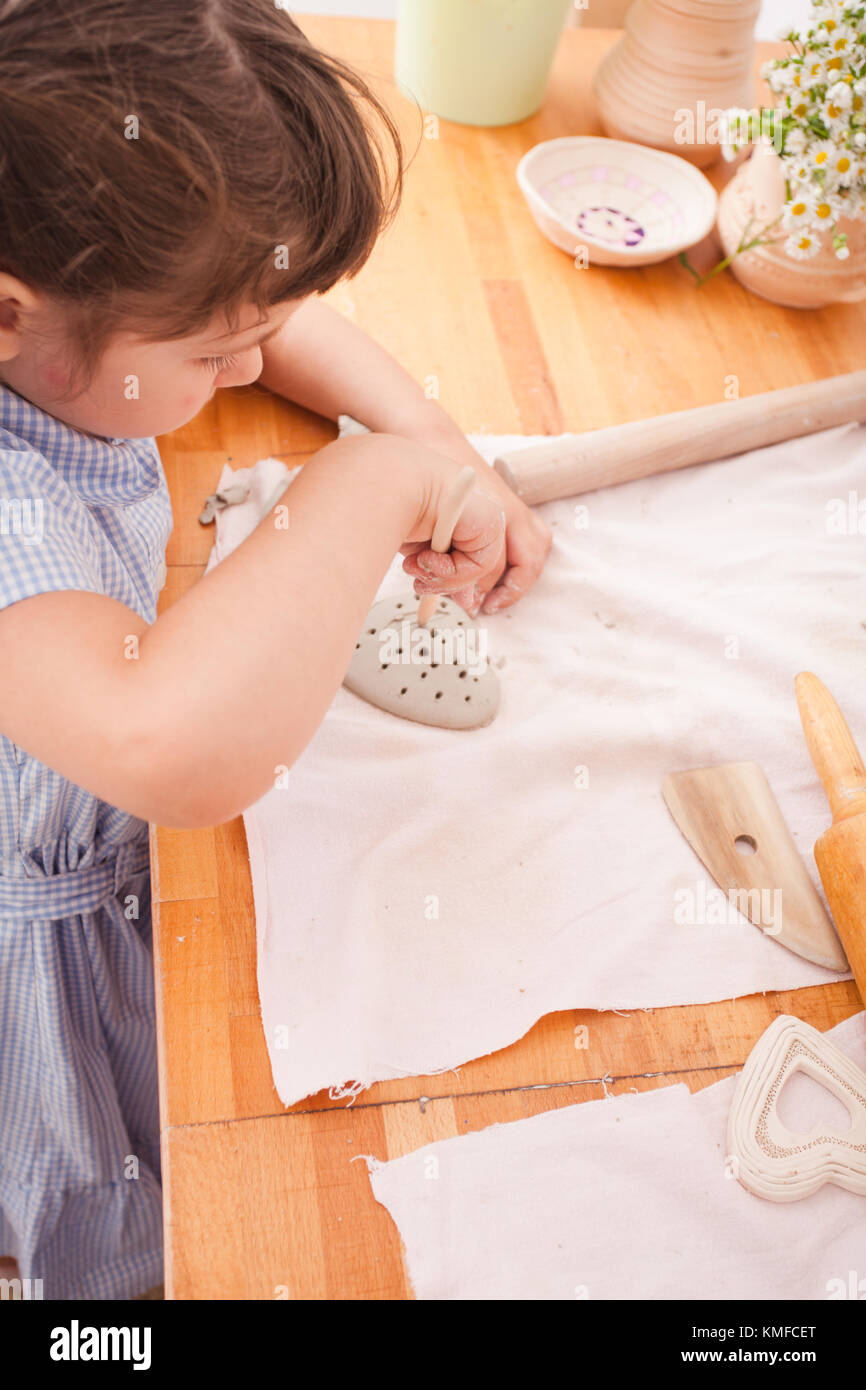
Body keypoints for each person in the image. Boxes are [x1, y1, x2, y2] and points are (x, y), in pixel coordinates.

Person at [0, 0, 551, 1298]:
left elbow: (267, 318)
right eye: (212, 351)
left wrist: (440, 451)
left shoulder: (81, 297)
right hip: (44, 940)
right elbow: (165, 743)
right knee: (166, 1222)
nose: (254, 359)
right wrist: (366, 488)